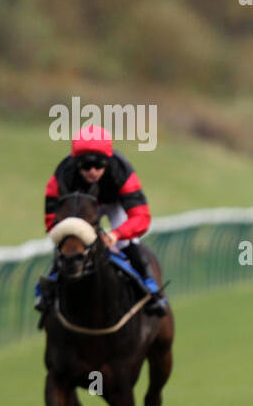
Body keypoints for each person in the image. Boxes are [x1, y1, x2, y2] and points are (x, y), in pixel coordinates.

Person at [36, 124, 167, 316]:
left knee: (126, 243)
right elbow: (52, 219)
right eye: (86, 166)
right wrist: (64, 235)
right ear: (76, 162)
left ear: (108, 161)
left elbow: (141, 216)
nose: (93, 171)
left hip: (114, 204)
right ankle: (48, 288)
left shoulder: (121, 170)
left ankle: (152, 289)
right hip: (79, 207)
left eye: (99, 165)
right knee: (69, 246)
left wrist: (116, 234)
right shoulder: (64, 174)